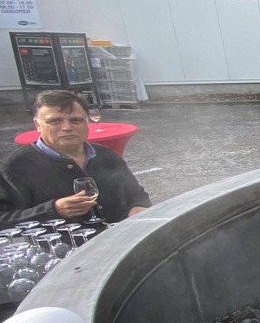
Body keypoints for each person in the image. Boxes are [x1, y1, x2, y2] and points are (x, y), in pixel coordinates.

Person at [0, 89, 151, 227]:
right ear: (38, 125)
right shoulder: (16, 166)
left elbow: (137, 194)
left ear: (87, 123)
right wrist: (53, 210)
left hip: (123, 239)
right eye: (55, 121)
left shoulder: (105, 154)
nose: (67, 127)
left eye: (75, 120)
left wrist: (138, 207)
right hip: (65, 247)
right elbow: (3, 219)